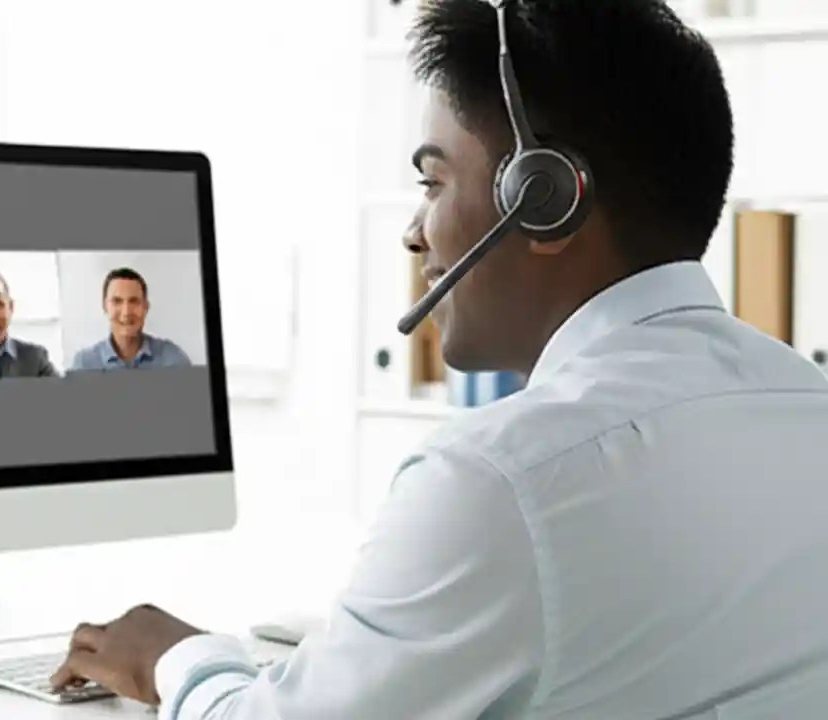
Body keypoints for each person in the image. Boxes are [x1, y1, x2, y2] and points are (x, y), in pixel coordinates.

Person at [48, 1, 828, 718]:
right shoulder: (809, 406)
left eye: (433, 183)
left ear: (545, 200)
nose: (414, 231)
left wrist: (176, 658)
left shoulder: (499, 481)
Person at [69, 267, 193, 372]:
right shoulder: (83, 365)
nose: (126, 312)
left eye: (134, 301)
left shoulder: (172, 359)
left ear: (145, 307)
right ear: (105, 307)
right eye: (117, 301)